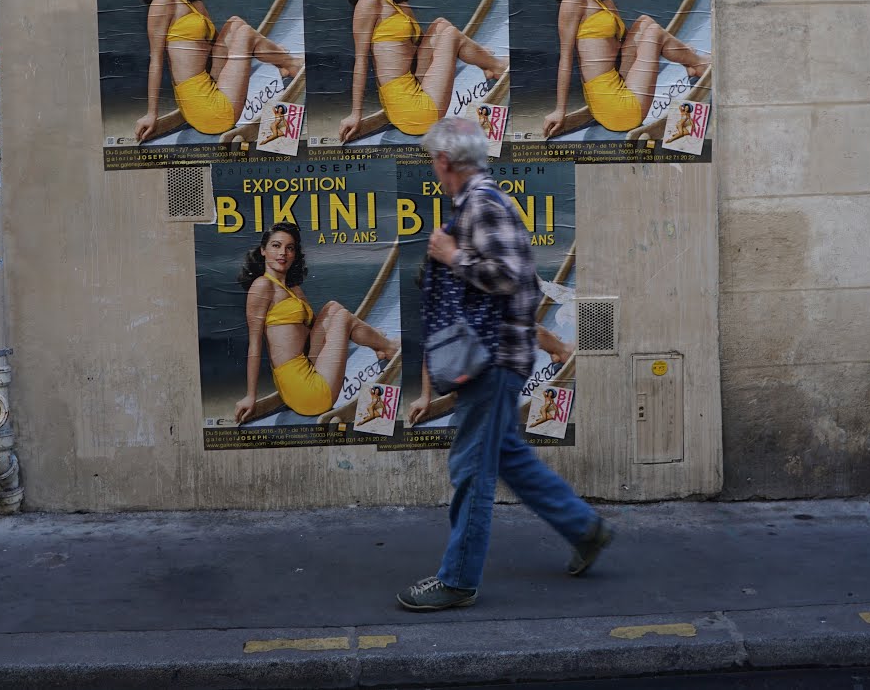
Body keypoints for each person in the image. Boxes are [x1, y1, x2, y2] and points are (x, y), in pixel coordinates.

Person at [397, 117, 612, 612]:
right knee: (509, 457)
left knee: (472, 470)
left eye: (433, 159)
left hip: (491, 360)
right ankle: (586, 529)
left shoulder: (482, 204)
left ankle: (457, 580)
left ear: (445, 161)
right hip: (496, 357)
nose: (433, 168)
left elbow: (508, 278)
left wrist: (452, 256)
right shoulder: (481, 202)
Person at [135, 0, 301, 142]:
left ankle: (284, 62)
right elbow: (156, 61)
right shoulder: (163, 1)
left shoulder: (196, 5)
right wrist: (152, 114)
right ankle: (291, 64)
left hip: (211, 83)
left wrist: (254, 44)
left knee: (235, 23)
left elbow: (215, 49)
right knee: (245, 33)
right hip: (208, 110)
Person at [341, 0, 506, 142]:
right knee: (450, 34)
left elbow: (416, 52)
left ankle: (488, 64)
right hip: (412, 111)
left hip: (415, 85)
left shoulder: (402, 6)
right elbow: (361, 59)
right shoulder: (369, 1)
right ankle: (495, 66)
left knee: (441, 24)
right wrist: (355, 114)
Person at [543, 0, 710, 138]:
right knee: (654, 33)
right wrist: (560, 110)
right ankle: (697, 63)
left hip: (619, 82)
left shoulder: (606, 3)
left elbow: (620, 49)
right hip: (618, 109)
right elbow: (566, 59)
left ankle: (691, 62)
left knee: (645, 22)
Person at [234, 222, 399, 424]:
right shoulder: (262, 286)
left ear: (295, 254)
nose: (282, 253)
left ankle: (379, 344)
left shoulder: (293, 290)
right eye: (276, 246)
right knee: (342, 316)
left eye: (290, 247)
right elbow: (255, 344)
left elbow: (309, 333)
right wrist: (251, 395)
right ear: (263, 250)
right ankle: (387, 346)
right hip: (306, 392)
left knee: (332, 307)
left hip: (308, 364)